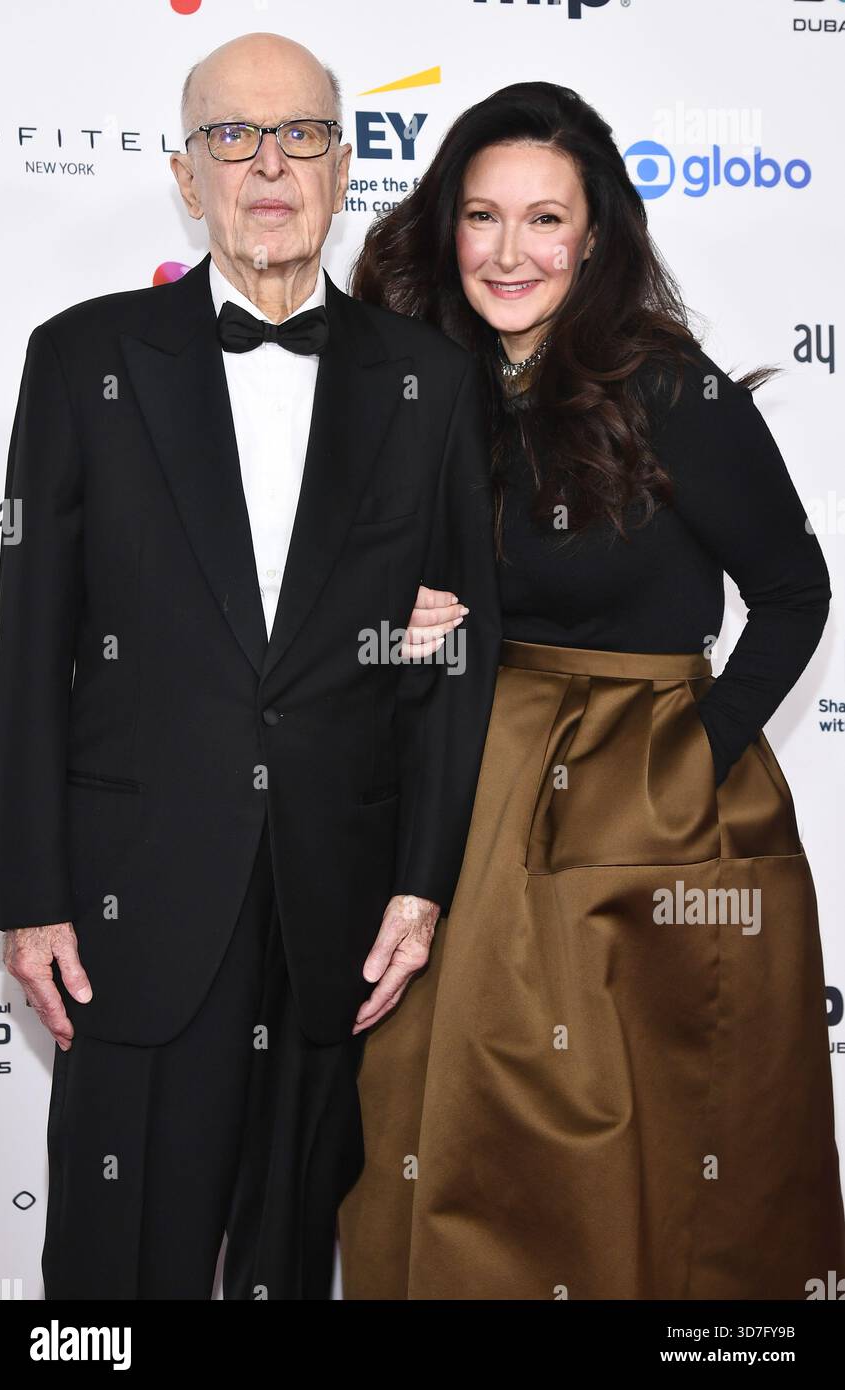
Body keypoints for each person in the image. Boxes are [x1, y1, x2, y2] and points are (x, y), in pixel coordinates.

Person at [0, 32, 501, 1300]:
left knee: (287, 1259)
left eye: (302, 135)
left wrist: (421, 883)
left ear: (342, 168)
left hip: (334, 909)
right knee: (113, 1278)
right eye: (232, 136)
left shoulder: (431, 382)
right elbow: (32, 636)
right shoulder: (81, 358)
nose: (269, 164)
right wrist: (29, 896)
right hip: (134, 905)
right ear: (184, 171)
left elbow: (450, 661)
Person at [339, 81, 845, 1299]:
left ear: (597, 236)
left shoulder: (670, 389)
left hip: (648, 810)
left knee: (641, 1135)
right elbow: (371, 616)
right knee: (435, 1113)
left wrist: (687, 758)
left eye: (544, 220)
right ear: (444, 227)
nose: (509, 252)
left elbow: (793, 592)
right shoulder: (420, 389)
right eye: (481, 217)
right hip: (466, 790)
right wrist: (396, 634)